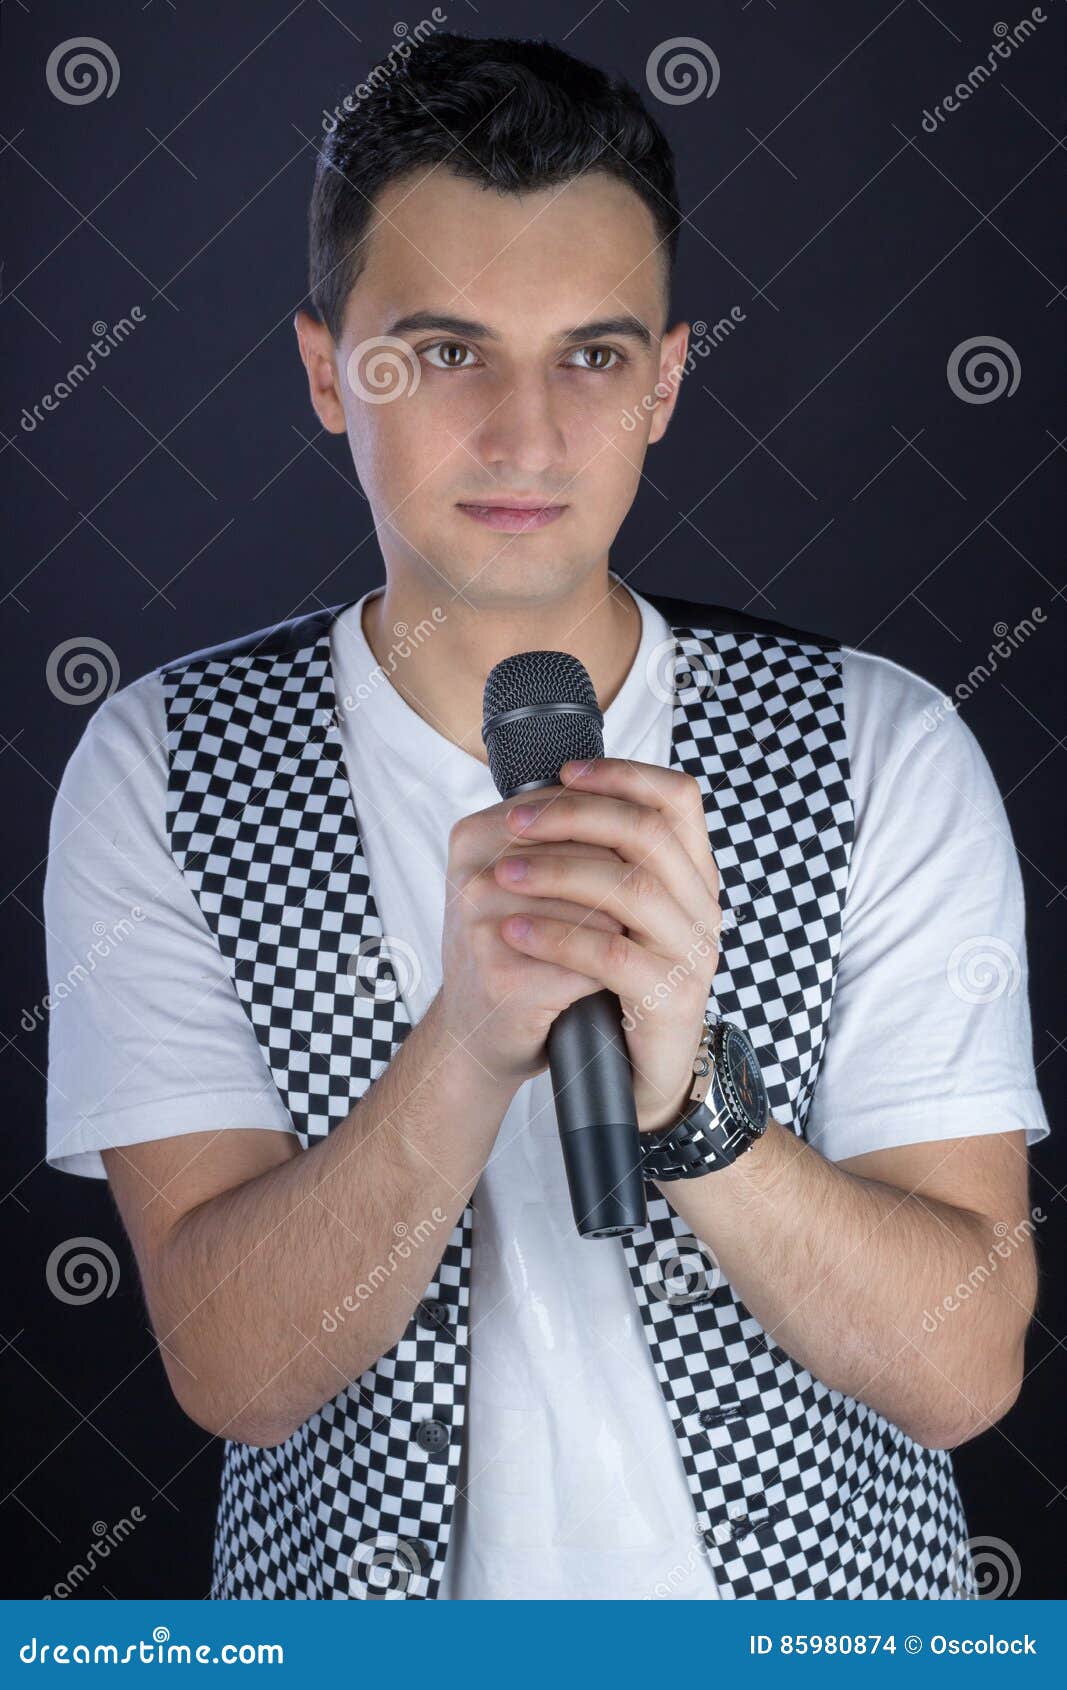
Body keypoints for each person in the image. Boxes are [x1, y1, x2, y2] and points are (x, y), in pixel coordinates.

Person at [44, 32, 1048, 1601]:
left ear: (665, 379)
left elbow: (965, 1367)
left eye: (590, 355)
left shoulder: (882, 747)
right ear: (328, 373)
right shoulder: (162, 763)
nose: (524, 435)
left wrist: (694, 1106)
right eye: (445, 352)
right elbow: (236, 1371)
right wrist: (462, 1047)